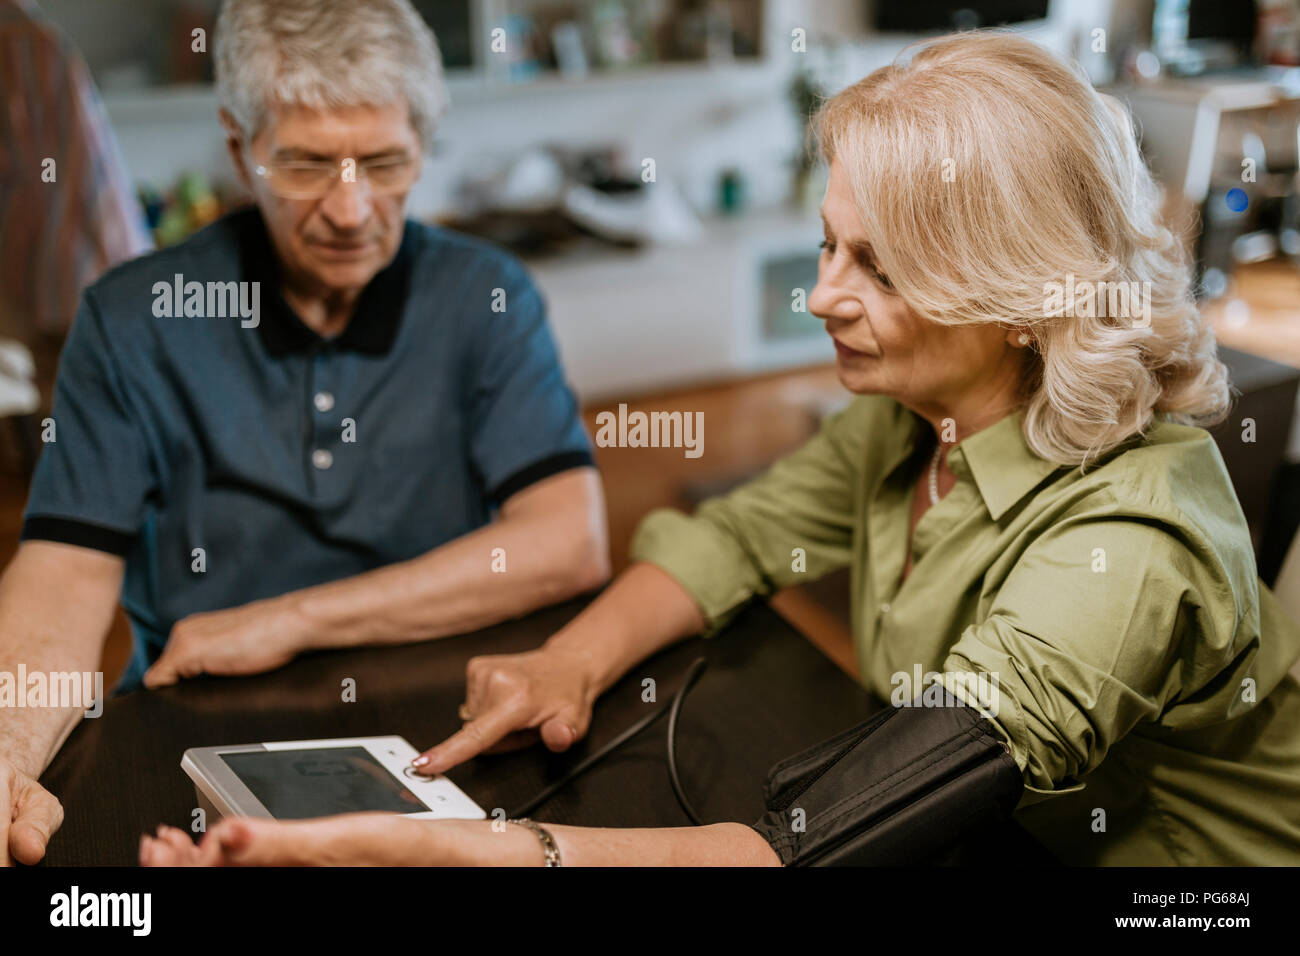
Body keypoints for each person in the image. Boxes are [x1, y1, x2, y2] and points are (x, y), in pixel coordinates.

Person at [142, 30, 1300, 867]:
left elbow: (827, 828)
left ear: (1012, 298)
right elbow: (742, 532)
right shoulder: (921, 413)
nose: (820, 293)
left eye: (878, 268)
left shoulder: (1130, 545)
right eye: (828, 243)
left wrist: (497, 852)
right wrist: (574, 659)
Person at [1, 0, 608, 867]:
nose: (352, 210)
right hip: (201, 726)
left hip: (443, 722)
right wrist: (6, 750)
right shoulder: (133, 317)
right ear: (239, 145)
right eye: (306, 164)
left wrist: (292, 619)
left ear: (425, 144)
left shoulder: (486, 296)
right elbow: (64, 573)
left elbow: (567, 540)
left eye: (387, 162)